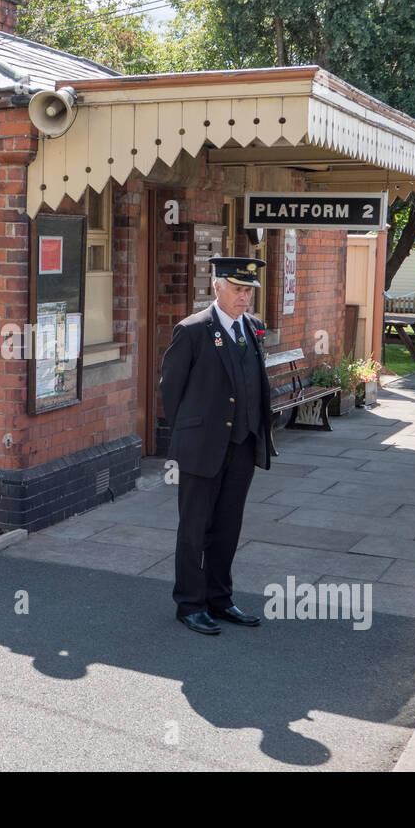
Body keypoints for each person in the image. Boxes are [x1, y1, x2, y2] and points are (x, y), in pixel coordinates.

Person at [159, 256, 276, 636]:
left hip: (242, 445)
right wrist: (188, 436)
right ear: (218, 288)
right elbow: (170, 391)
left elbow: (254, 382)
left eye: (249, 291)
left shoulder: (252, 327)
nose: (245, 298)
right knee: (194, 528)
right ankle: (190, 604)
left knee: (228, 526)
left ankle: (220, 598)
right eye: (239, 290)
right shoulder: (192, 330)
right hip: (202, 447)